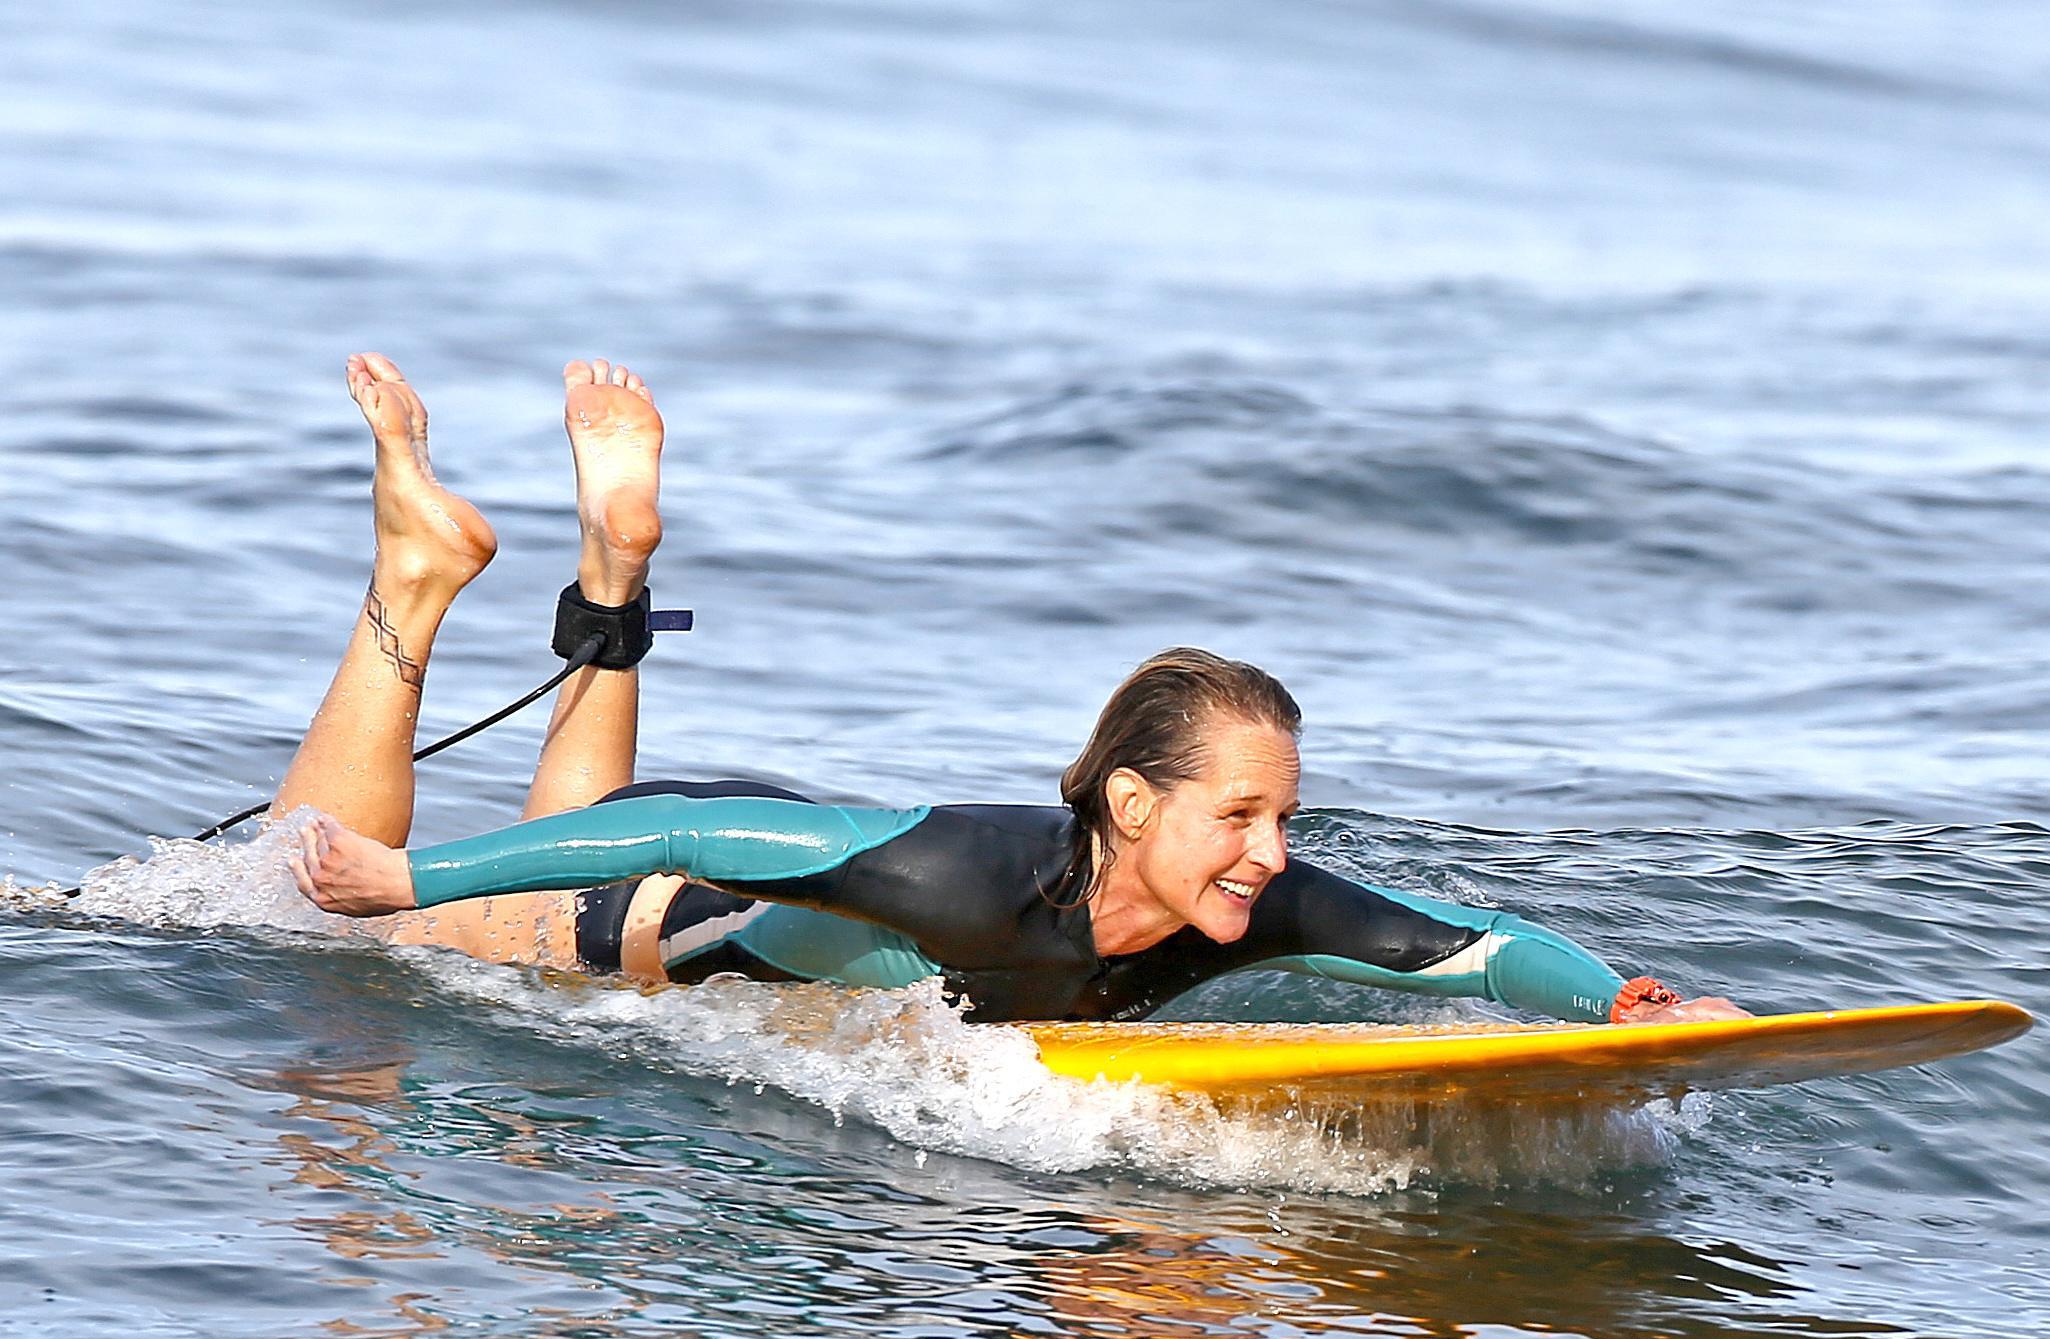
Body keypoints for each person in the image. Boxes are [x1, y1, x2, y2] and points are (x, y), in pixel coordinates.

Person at [286, 354, 1747, 1028]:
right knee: (297, 913)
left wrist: (1619, 1001)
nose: (1274, 853)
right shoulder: (963, 866)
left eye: (1283, 818)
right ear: (1128, 801)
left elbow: (1480, 950)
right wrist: (407, 878)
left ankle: (611, 567)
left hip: (809, 905)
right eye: (1241, 814)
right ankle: (419, 574)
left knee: (592, 806)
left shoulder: (1247, 904)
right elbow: (665, 841)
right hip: (650, 914)